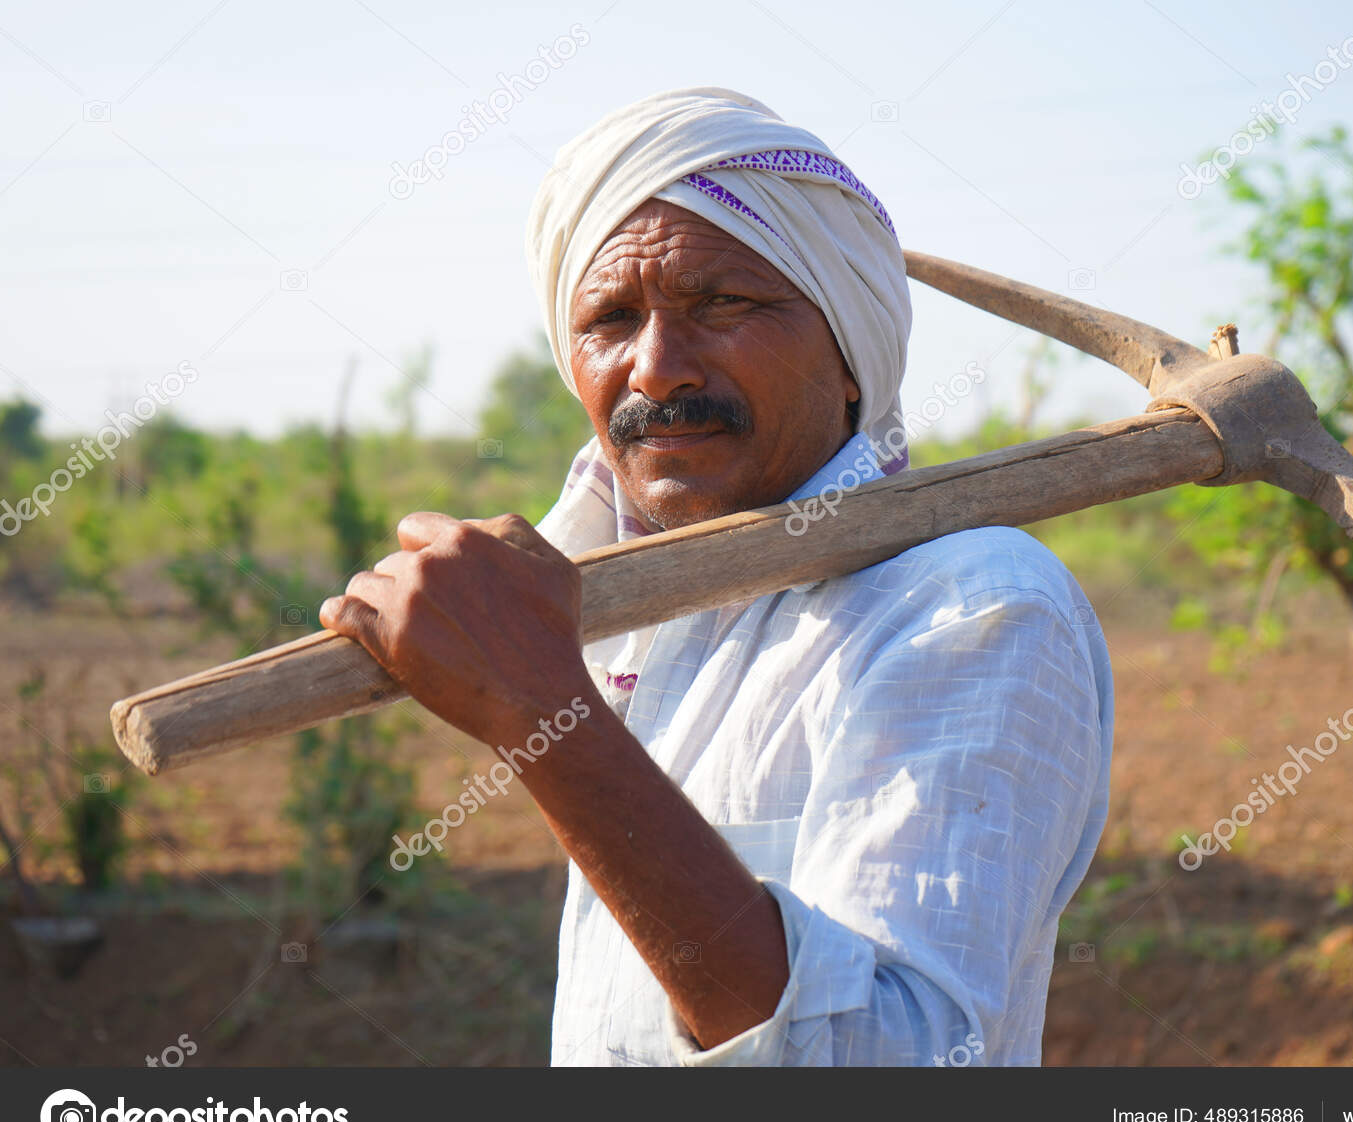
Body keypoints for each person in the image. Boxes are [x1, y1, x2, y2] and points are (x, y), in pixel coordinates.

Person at [320, 86, 1113, 1066]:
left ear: (851, 350)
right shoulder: (622, 620)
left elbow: (886, 1062)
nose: (657, 368)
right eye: (609, 319)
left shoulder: (969, 608)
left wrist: (543, 715)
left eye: (723, 304)